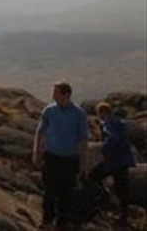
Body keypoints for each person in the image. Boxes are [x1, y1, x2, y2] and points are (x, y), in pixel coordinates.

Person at [33, 81, 89, 231]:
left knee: (66, 192)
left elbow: (83, 139)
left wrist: (84, 162)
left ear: (66, 94)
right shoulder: (49, 110)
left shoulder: (79, 113)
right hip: (51, 157)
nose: (52, 95)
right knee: (49, 191)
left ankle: (62, 223)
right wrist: (36, 153)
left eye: (56, 92)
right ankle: (47, 221)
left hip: (70, 159)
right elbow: (40, 132)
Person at [88, 101, 135, 222]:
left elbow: (112, 138)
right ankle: (124, 215)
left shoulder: (108, 123)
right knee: (122, 187)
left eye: (99, 113)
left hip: (113, 161)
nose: (99, 116)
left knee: (93, 176)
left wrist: (103, 147)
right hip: (124, 159)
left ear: (103, 112)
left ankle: (103, 200)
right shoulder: (119, 122)